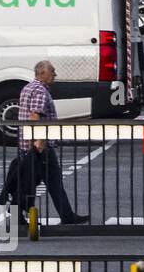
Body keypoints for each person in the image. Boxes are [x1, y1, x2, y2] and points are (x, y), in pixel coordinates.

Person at [17, 60, 90, 225]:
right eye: (52, 71)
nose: (55, 74)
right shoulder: (40, 91)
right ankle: (67, 217)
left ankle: (19, 215)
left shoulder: (27, 88)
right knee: (50, 182)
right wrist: (39, 143)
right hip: (39, 148)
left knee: (30, 183)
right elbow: (35, 117)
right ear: (42, 73)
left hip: (27, 146)